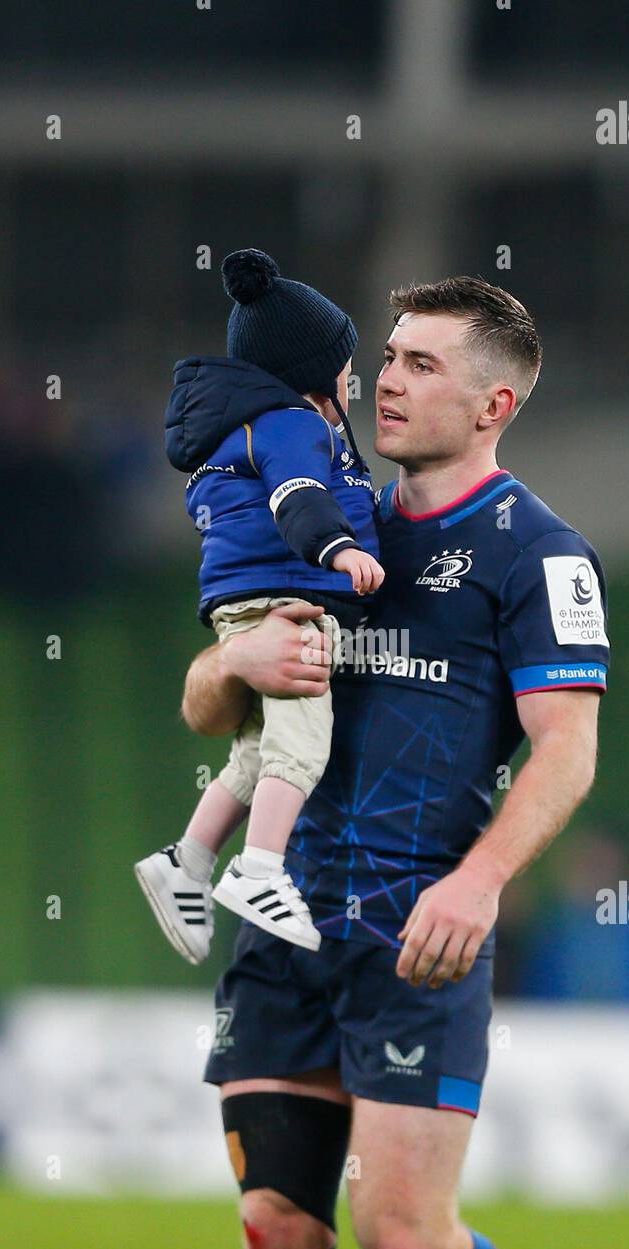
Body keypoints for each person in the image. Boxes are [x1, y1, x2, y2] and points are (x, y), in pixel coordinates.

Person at [182, 276, 608, 1249]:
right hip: (285, 923)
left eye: (423, 365)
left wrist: (481, 880)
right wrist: (234, 667)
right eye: (387, 356)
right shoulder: (332, 524)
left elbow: (567, 748)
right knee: (275, 1226)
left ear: (492, 405)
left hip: (413, 933)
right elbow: (205, 705)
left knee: (404, 1240)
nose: (387, 381)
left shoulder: (537, 552)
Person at [134, 250, 382, 955]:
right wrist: (342, 552)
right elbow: (296, 500)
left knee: (254, 754)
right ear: (308, 371)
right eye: (341, 364)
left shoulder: (233, 431)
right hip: (289, 600)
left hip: (244, 601)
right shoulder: (293, 426)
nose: (350, 379)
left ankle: (186, 858)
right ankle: (260, 867)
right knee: (301, 746)